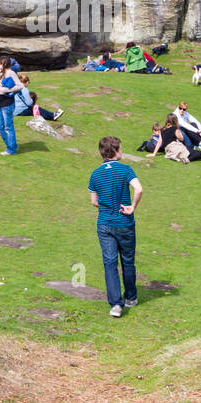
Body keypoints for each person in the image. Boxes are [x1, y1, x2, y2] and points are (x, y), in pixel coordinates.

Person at [88, 136, 142, 317]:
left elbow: (94, 201)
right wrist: (132, 207)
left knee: (110, 262)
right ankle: (131, 297)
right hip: (124, 223)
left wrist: (105, 204)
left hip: (104, 224)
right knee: (127, 260)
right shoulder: (126, 169)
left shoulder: (95, 174)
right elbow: (139, 189)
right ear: (116, 151)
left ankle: (116, 305)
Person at [0, 57, 21, 156]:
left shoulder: (11, 73)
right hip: (0, 104)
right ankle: (12, 145)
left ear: (4, 64)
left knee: (8, 127)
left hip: (7, 104)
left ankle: (11, 149)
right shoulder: (3, 73)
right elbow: (4, 84)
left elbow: (20, 86)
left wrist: (7, 90)